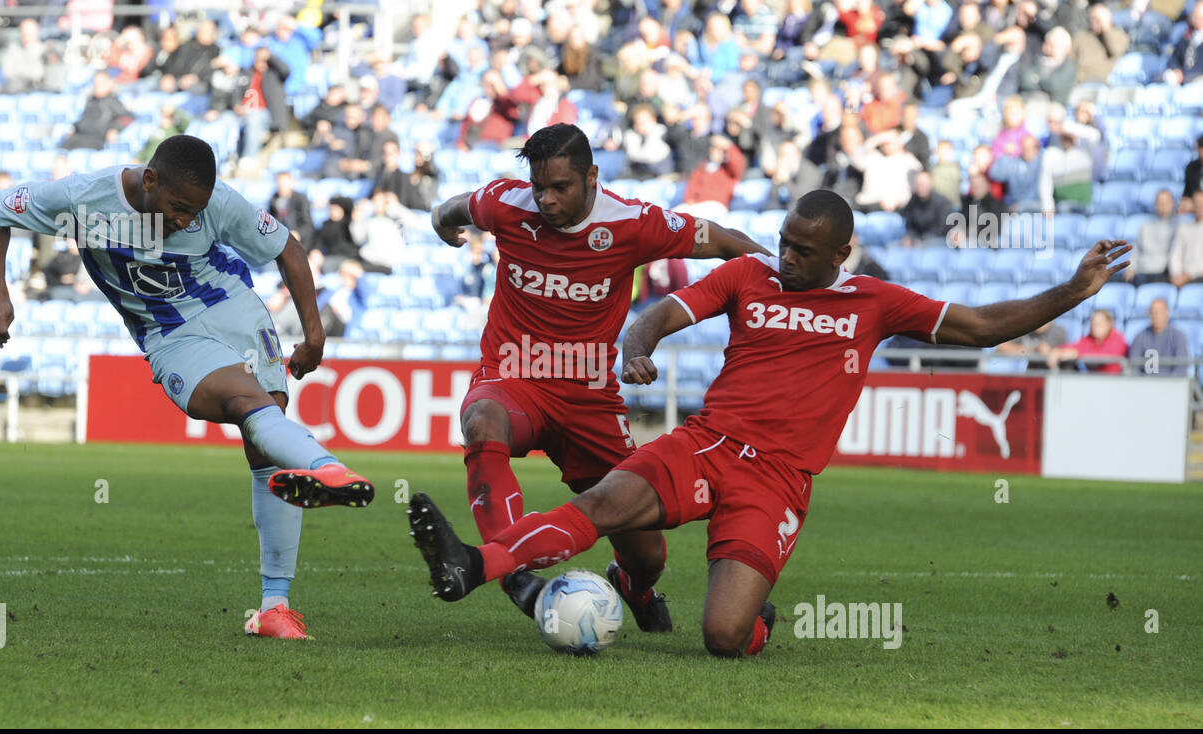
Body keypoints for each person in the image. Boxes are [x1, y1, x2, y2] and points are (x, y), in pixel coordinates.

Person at [409, 190, 1132, 656]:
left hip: (778, 480)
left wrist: (1073, 289)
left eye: (802, 251)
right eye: (783, 241)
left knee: (724, 637)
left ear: (840, 254)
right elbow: (661, 312)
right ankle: (477, 565)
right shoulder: (748, 276)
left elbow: (977, 326)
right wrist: (636, 347)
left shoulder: (874, 302)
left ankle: (754, 615)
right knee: (604, 503)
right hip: (706, 442)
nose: (784, 257)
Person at [0, 135, 374, 640]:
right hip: (169, 332)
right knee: (243, 402)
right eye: (179, 208)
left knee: (263, 439)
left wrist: (314, 335)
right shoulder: (81, 200)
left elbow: (289, 251)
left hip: (230, 306)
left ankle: (276, 607)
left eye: (196, 212)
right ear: (149, 180)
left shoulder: (217, 203)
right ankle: (326, 468)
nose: (188, 220)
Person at [428, 122, 771, 631]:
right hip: (515, 376)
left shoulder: (633, 223)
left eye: (559, 187)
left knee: (647, 552)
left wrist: (789, 286)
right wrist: (443, 224)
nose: (545, 199)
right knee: (481, 418)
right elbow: (452, 208)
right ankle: (513, 572)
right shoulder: (507, 203)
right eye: (538, 186)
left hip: (590, 398)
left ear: (591, 176)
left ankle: (635, 585)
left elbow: (723, 241)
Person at [1047, 309, 1128, 373]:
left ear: (1108, 324)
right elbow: (1074, 347)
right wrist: (1058, 350)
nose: (1094, 326)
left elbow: (1105, 356)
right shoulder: (1089, 339)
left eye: (1098, 324)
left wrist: (1077, 353)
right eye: (1092, 323)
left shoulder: (1118, 339)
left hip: (1114, 384)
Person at [1129, 299, 1190, 376]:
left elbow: (1181, 368)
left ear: (1167, 313)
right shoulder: (1140, 336)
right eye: (1153, 312)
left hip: (1171, 384)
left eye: (1159, 312)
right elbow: (1134, 366)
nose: (1156, 315)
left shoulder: (1178, 337)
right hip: (1145, 384)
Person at [1129, 190, 1177, 285]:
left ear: (1173, 204)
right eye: (1160, 203)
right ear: (1155, 204)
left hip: (1164, 273)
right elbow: (1136, 251)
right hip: (1143, 272)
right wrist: (1131, 268)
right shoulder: (1145, 226)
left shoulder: (1178, 227)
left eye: (1166, 203)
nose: (1163, 206)